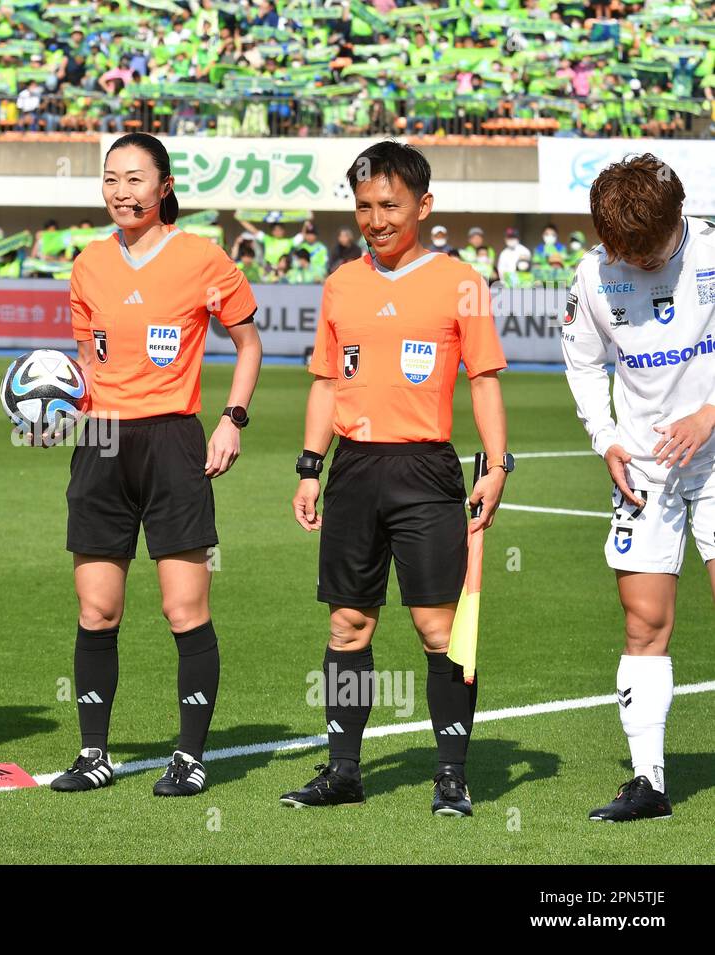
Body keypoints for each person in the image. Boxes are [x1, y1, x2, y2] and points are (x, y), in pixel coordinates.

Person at [285, 141, 511, 816]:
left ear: (423, 205)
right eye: (363, 206)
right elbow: (327, 383)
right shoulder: (340, 283)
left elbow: (487, 382)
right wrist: (308, 467)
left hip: (425, 467)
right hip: (353, 470)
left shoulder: (460, 280)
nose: (375, 219)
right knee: (349, 624)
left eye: (389, 204)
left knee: (438, 627)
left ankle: (451, 773)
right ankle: (344, 770)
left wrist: (497, 466)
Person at [52, 132, 262, 797]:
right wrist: (54, 404)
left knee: (183, 607)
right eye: (111, 179)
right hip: (102, 440)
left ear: (164, 186)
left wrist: (232, 418)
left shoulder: (203, 257)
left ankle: (191, 755)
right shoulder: (86, 263)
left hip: (174, 441)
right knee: (97, 609)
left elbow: (249, 344)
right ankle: (93, 753)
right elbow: (88, 365)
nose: (122, 191)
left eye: (136, 179)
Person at [560, 154, 715, 822]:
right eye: (625, 252)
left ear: (677, 216)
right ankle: (648, 781)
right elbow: (586, 363)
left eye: (648, 251)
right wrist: (608, 439)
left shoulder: (711, 252)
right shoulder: (595, 274)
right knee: (644, 620)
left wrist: (710, 413)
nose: (639, 264)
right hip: (645, 465)